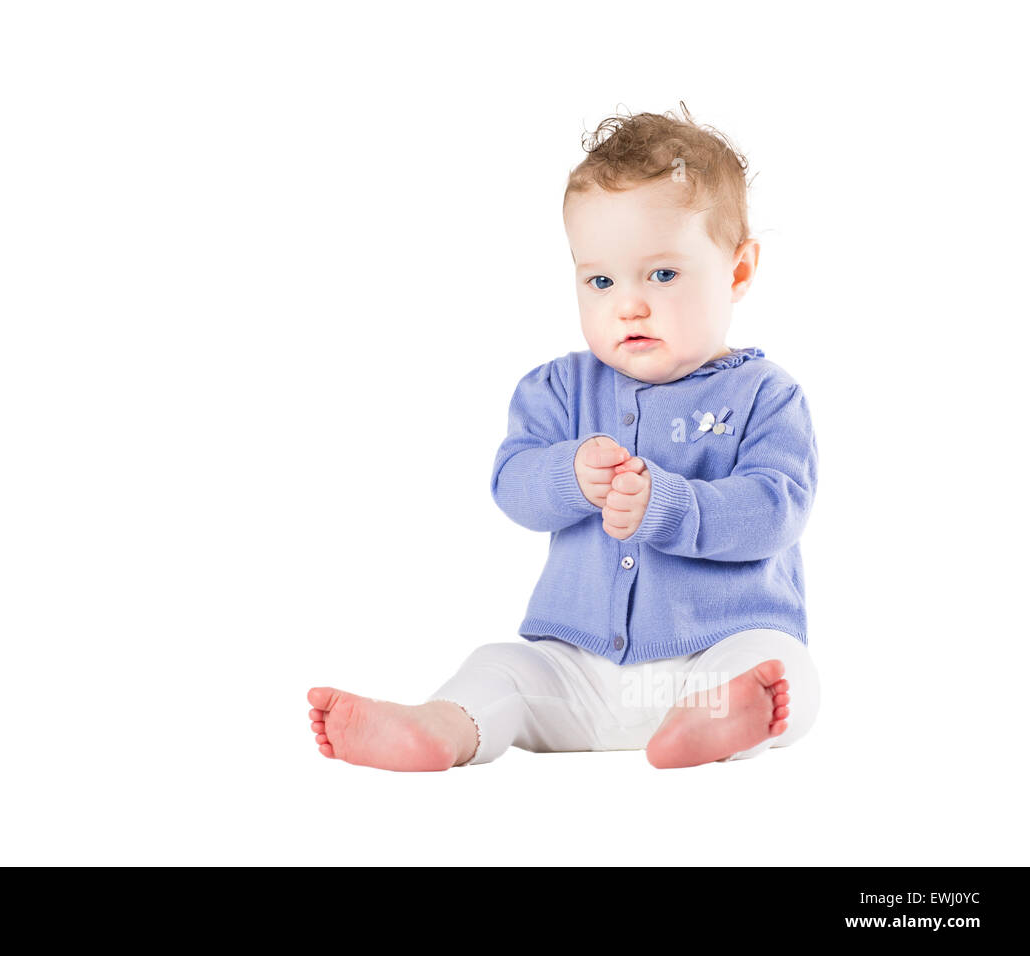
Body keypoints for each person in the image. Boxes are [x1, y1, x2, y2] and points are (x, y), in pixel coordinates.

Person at [307, 102, 821, 770]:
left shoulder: (765, 395)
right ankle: (442, 728)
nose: (627, 303)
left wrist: (669, 505)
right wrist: (568, 475)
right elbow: (511, 483)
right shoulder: (556, 391)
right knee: (500, 669)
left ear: (739, 270)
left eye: (662, 274)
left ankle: (715, 723)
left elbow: (776, 509)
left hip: (717, 652)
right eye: (600, 280)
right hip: (579, 669)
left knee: (786, 673)